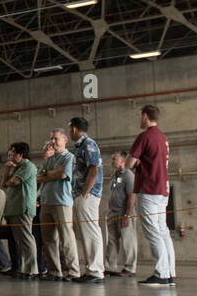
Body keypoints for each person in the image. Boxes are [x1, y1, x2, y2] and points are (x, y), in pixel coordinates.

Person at [128, 104, 176, 285]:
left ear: (145, 116)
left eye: (140, 116)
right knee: (163, 231)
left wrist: (137, 162)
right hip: (163, 189)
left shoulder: (145, 137)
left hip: (149, 189)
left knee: (153, 232)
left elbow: (128, 163)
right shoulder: (163, 138)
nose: (139, 120)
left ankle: (161, 273)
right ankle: (170, 272)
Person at [38, 129, 79, 281]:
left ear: (65, 140)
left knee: (66, 238)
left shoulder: (69, 157)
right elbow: (37, 178)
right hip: (46, 201)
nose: (53, 142)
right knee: (48, 239)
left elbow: (63, 175)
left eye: (56, 139)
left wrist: (48, 173)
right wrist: (53, 173)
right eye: (52, 139)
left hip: (62, 202)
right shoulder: (49, 160)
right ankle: (54, 271)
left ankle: (73, 271)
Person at [69, 117, 104, 283]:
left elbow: (94, 170)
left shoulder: (88, 144)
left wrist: (84, 193)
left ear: (74, 129)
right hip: (81, 194)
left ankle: (96, 270)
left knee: (91, 230)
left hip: (88, 195)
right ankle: (91, 268)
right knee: (86, 233)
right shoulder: (81, 146)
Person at [3, 142, 38, 279]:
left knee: (26, 239)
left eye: (13, 152)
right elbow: (4, 183)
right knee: (19, 241)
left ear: (20, 154)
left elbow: (14, 182)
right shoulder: (16, 167)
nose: (10, 155)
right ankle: (23, 268)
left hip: (23, 207)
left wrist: (9, 180)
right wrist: (7, 170)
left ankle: (32, 269)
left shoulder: (28, 166)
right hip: (14, 208)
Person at [105, 151, 137, 277]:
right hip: (113, 213)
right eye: (112, 159)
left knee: (128, 241)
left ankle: (130, 268)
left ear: (123, 161)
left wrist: (127, 215)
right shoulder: (114, 175)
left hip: (124, 213)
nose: (112, 161)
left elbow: (132, 196)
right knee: (112, 240)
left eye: (115, 159)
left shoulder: (129, 175)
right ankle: (110, 266)